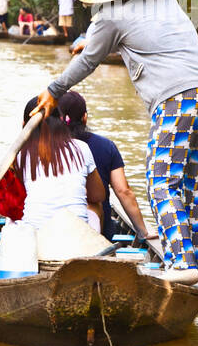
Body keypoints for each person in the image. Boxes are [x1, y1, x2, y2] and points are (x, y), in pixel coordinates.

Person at [34, 0, 198, 285]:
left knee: (161, 180)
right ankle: (194, 266)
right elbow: (141, 38)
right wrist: (92, 42)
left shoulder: (109, 15)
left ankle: (180, 264)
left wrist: (53, 90)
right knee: (196, 186)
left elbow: (90, 59)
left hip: (176, 97)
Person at [58, 91, 151, 242]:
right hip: (100, 230)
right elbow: (123, 191)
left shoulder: (46, 148)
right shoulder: (106, 146)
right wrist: (142, 231)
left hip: (55, 225)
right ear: (85, 117)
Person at [17, 96, 105, 233]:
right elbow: (98, 196)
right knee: (95, 206)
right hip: (76, 234)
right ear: (62, 122)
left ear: (24, 125)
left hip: (36, 232)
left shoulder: (20, 155)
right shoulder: (82, 147)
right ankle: (97, 246)